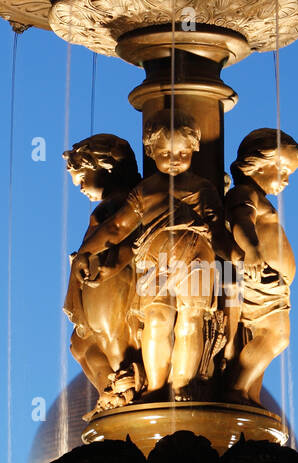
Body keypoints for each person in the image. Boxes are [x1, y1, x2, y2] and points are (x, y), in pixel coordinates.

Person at [77, 109, 230, 399]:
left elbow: (216, 228)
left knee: (190, 318)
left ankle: (182, 383)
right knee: (157, 318)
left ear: (194, 150)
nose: (174, 160)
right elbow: (117, 227)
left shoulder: (203, 188)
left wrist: (237, 252)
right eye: (165, 153)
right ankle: (157, 388)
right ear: (150, 151)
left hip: (196, 258)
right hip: (154, 261)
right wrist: (88, 251)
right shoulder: (145, 192)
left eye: (182, 153)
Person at [224, 127, 298, 404]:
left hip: (271, 283)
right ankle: (236, 389)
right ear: (257, 165)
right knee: (276, 337)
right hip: (258, 278)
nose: (286, 180)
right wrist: (251, 250)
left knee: (259, 337)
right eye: (283, 170)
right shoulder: (244, 193)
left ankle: (250, 396)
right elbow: (241, 221)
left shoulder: (256, 197)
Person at [63, 134, 141, 415]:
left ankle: (126, 384)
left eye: (82, 177)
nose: (80, 186)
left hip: (112, 276)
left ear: (106, 167)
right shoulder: (112, 204)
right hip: (96, 276)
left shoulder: (127, 202)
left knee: (110, 333)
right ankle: (110, 390)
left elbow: (125, 235)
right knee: (80, 345)